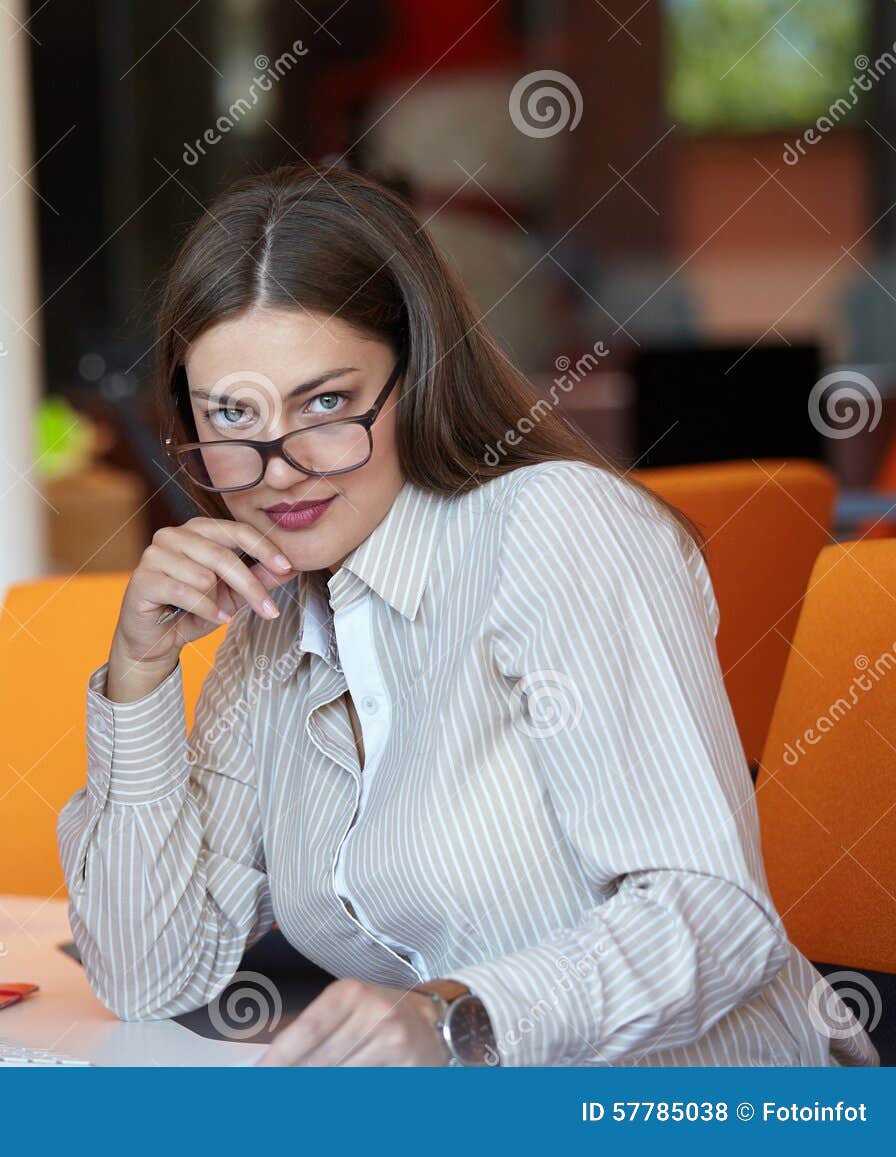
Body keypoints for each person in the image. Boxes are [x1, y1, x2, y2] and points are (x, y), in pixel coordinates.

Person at [56, 164, 878, 1067]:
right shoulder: (272, 618)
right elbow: (147, 974)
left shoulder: (554, 528)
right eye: (230, 416)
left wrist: (456, 1021)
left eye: (326, 402)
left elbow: (714, 914)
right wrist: (138, 676)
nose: (278, 465)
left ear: (420, 376)